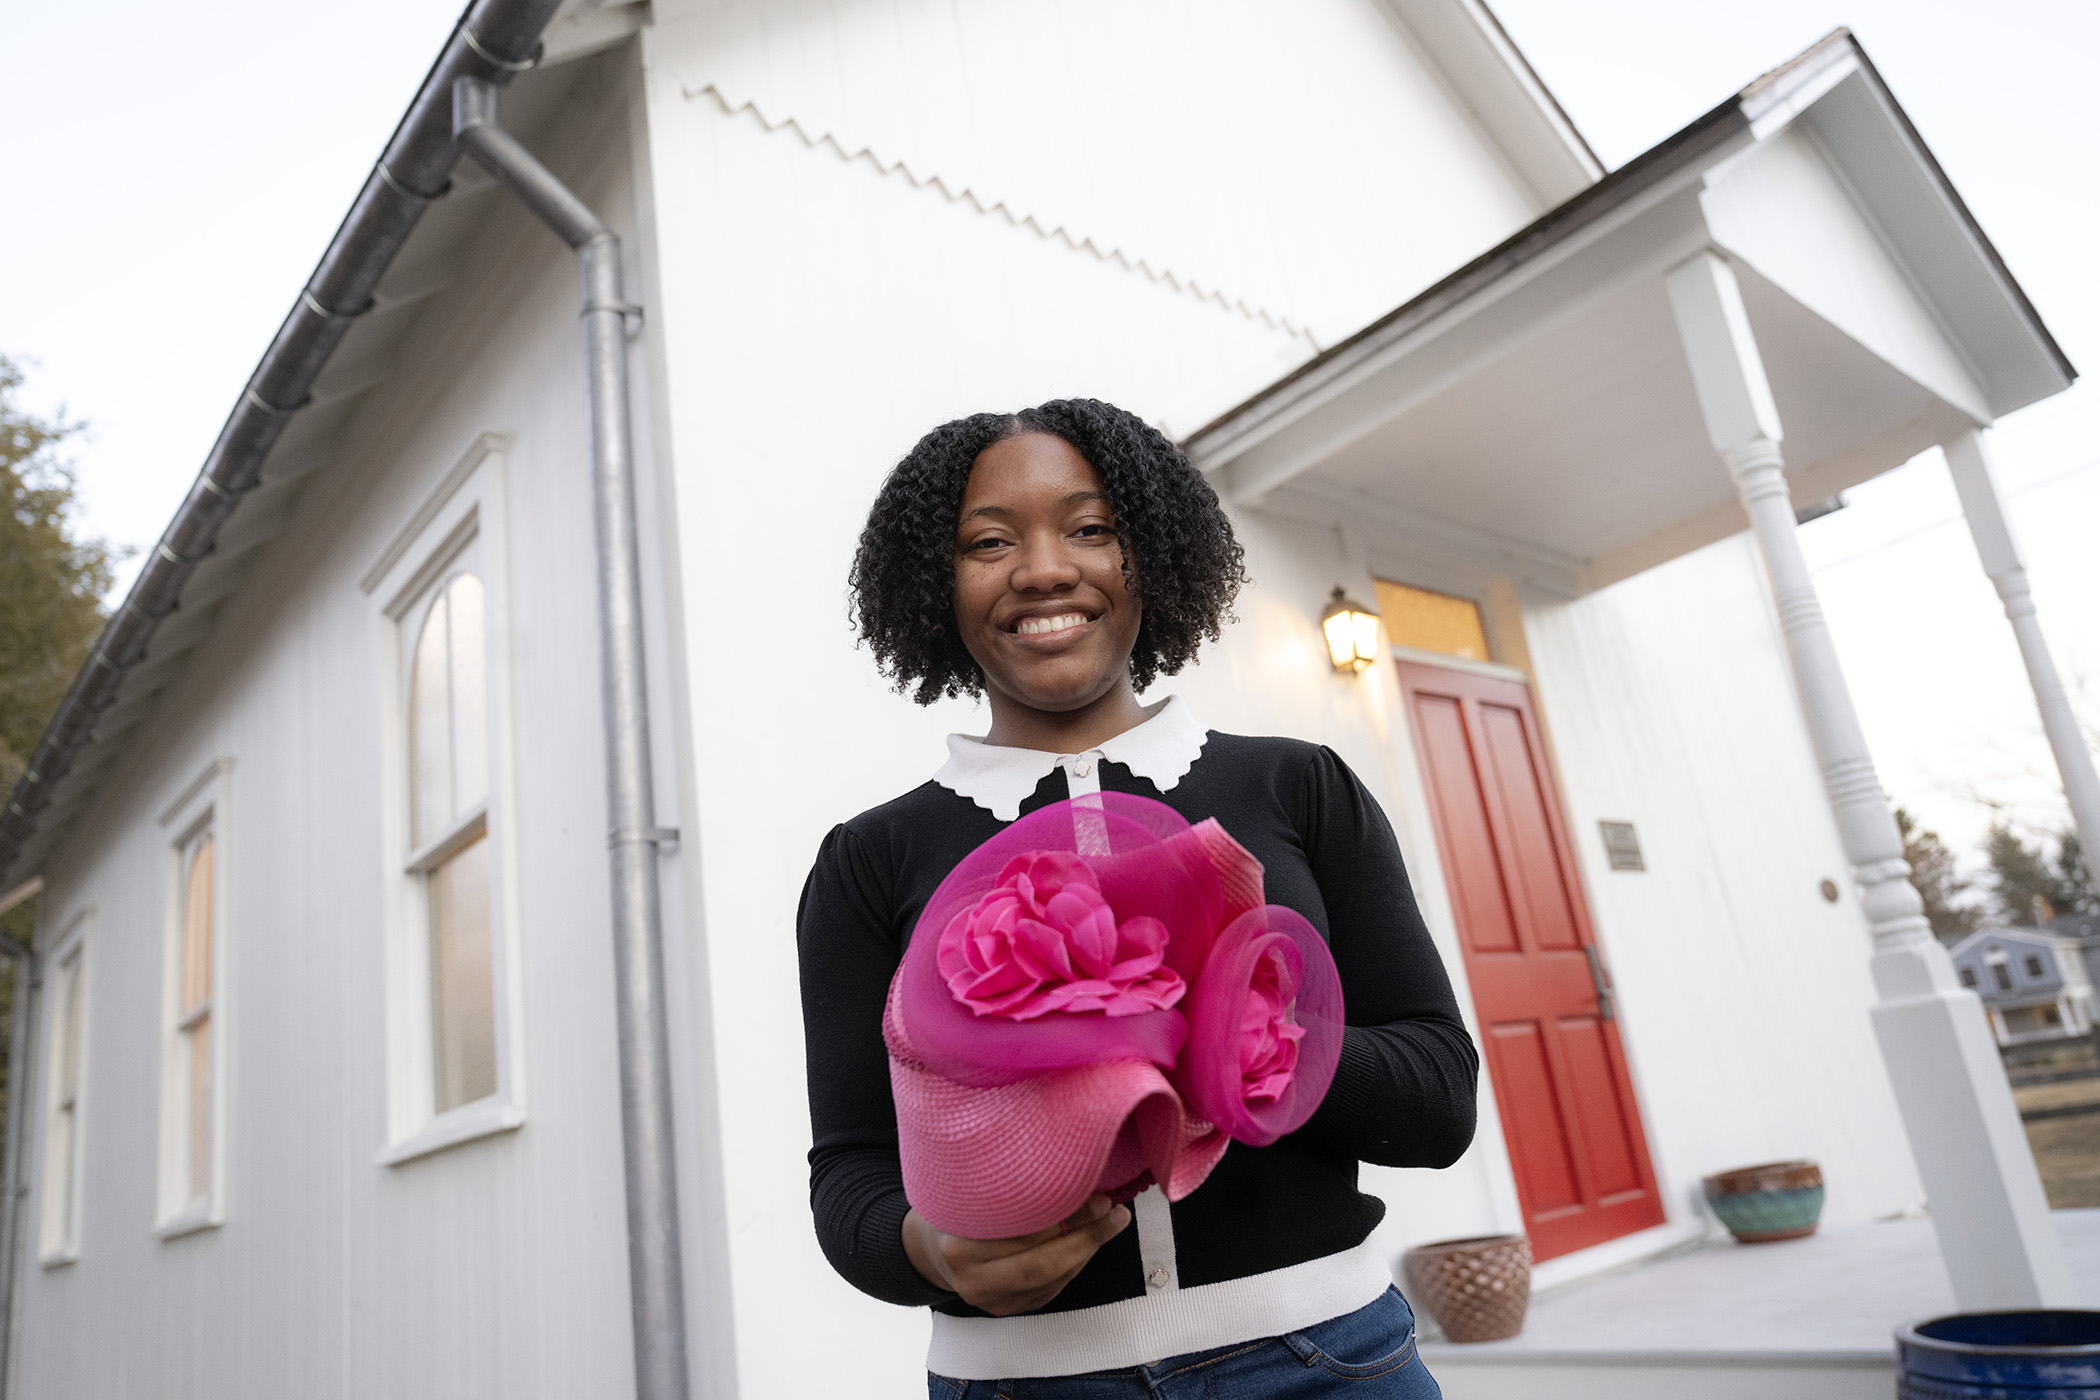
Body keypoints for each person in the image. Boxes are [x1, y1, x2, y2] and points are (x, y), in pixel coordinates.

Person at [797, 399, 1478, 1398]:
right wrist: (931, 1251)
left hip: (1326, 1358)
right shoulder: (868, 859)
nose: (1043, 569)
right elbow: (851, 1170)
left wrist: (1235, 1027)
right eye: (989, 541)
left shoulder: (1297, 786)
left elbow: (1439, 1102)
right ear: (935, 584)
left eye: (1091, 528)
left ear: (1152, 555)